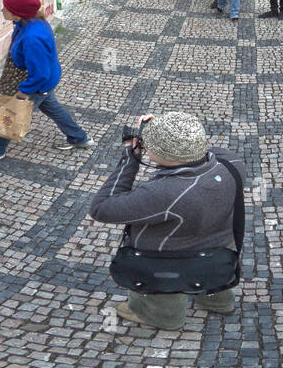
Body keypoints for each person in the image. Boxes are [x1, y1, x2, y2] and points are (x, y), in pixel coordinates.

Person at [87, 111, 243, 331]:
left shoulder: (163, 193)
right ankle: (219, 303)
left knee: (163, 289)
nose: (146, 148)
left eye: (149, 147)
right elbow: (193, 148)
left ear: (166, 157)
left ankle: (162, 318)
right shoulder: (232, 163)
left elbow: (101, 208)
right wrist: (165, 128)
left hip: (168, 254)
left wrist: (130, 157)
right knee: (214, 273)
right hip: (220, 244)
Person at [0, 0, 90, 161]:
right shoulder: (30, 23)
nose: (2, 10)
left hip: (36, 84)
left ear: (17, 14)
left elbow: (40, 73)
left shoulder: (33, 37)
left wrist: (24, 91)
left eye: (6, 8)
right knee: (52, 108)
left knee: (10, 113)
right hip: (44, 83)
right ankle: (80, 138)